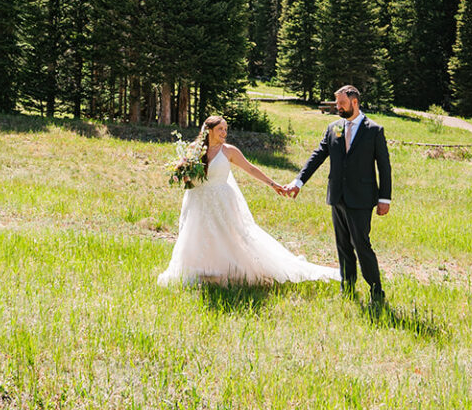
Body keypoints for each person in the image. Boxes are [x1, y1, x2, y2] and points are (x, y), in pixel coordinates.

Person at [157, 115, 339, 287]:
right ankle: (200, 272)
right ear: (208, 130)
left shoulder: (228, 151)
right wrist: (182, 175)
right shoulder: (193, 150)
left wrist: (273, 184)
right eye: (220, 129)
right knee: (197, 235)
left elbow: (250, 169)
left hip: (221, 201)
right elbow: (188, 176)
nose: (224, 133)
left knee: (229, 236)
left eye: (226, 129)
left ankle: (230, 271)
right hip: (198, 200)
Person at [286, 85, 392, 306]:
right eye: (336, 103)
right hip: (337, 196)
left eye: (341, 103)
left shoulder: (374, 130)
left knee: (361, 245)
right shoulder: (333, 127)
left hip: (361, 197)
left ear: (354, 102)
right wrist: (299, 181)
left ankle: (376, 291)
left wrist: (385, 198)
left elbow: (384, 166)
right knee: (342, 245)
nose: (337, 107)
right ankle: (348, 287)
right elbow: (318, 156)